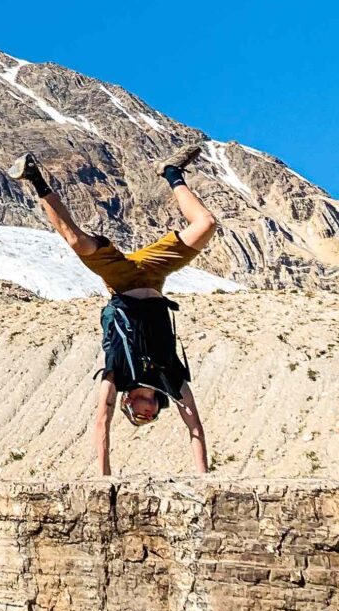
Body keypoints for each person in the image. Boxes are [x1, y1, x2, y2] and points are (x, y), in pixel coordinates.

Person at [11, 140, 218, 476]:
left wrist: (104, 479)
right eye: (149, 417)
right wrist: (204, 477)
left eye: (137, 416)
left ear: (127, 403)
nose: (146, 416)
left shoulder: (115, 377)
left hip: (120, 281)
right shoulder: (173, 381)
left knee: (77, 241)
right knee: (206, 223)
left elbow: (101, 424)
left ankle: (34, 178)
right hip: (154, 276)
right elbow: (195, 427)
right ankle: (172, 173)